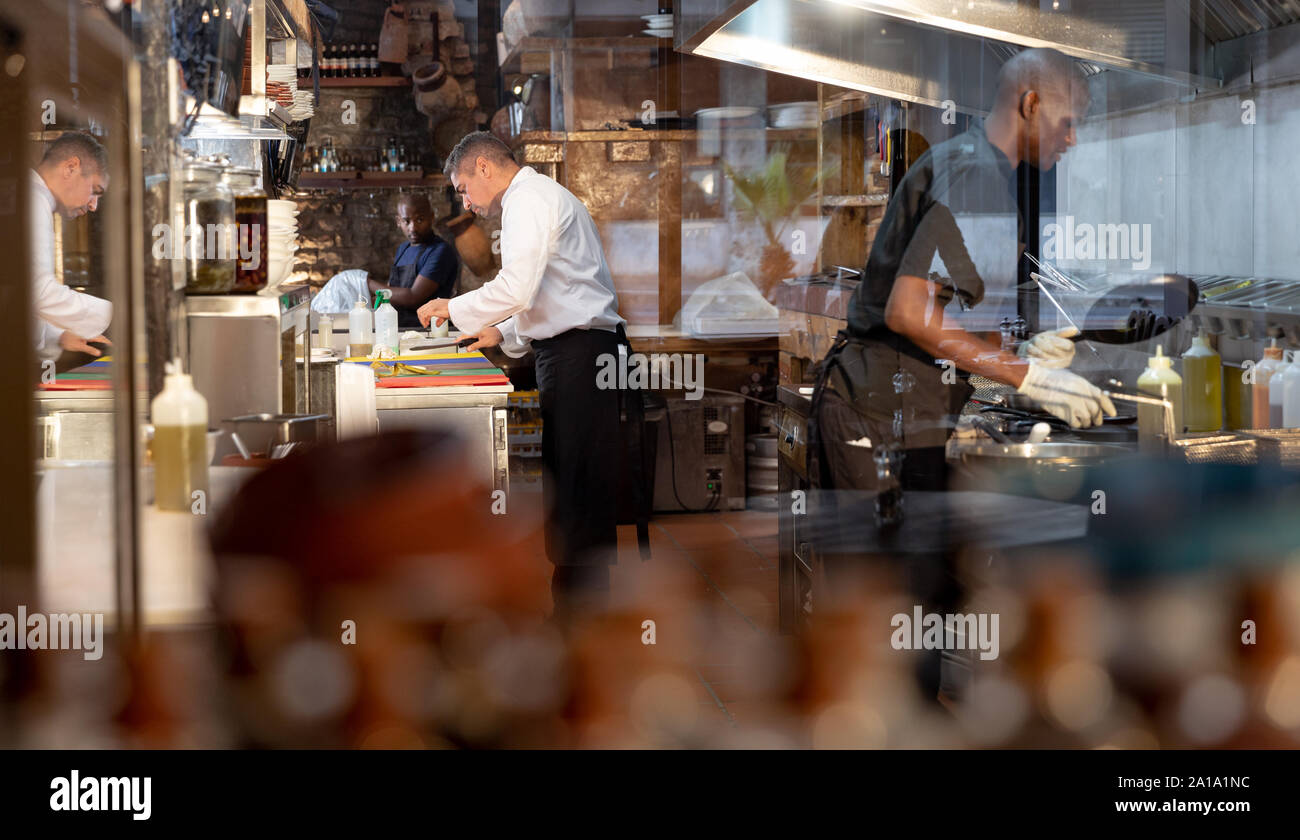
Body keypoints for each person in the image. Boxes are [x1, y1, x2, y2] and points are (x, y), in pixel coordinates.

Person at [809, 48, 1115, 697]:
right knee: (889, 616)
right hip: (877, 416)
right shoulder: (975, 173)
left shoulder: (979, 171)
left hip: (900, 414)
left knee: (920, 605)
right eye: (1067, 120)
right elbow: (910, 310)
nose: (1072, 138)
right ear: (1030, 103)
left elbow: (945, 304)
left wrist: (1023, 345)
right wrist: (1024, 376)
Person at [417, 132, 641, 619]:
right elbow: (543, 294)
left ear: (483, 166)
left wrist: (453, 306)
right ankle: (578, 607)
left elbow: (517, 288)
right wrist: (502, 333)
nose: (465, 201)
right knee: (571, 483)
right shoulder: (534, 197)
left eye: (461, 188)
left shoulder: (529, 199)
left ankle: (584, 618)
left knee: (580, 486)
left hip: (583, 355)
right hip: (574, 353)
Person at [30, 131, 113, 365]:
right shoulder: (32, 200)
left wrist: (58, 338)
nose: (94, 205)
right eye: (95, 190)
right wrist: (119, 316)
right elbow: (39, 292)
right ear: (71, 167)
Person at [367, 193, 459, 329]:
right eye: (406, 221)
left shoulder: (440, 251)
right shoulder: (403, 249)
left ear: (431, 217)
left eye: (420, 220)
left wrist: (366, 282)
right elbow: (391, 289)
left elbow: (413, 297)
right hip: (399, 328)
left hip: (428, 332)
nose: (413, 228)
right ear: (398, 221)